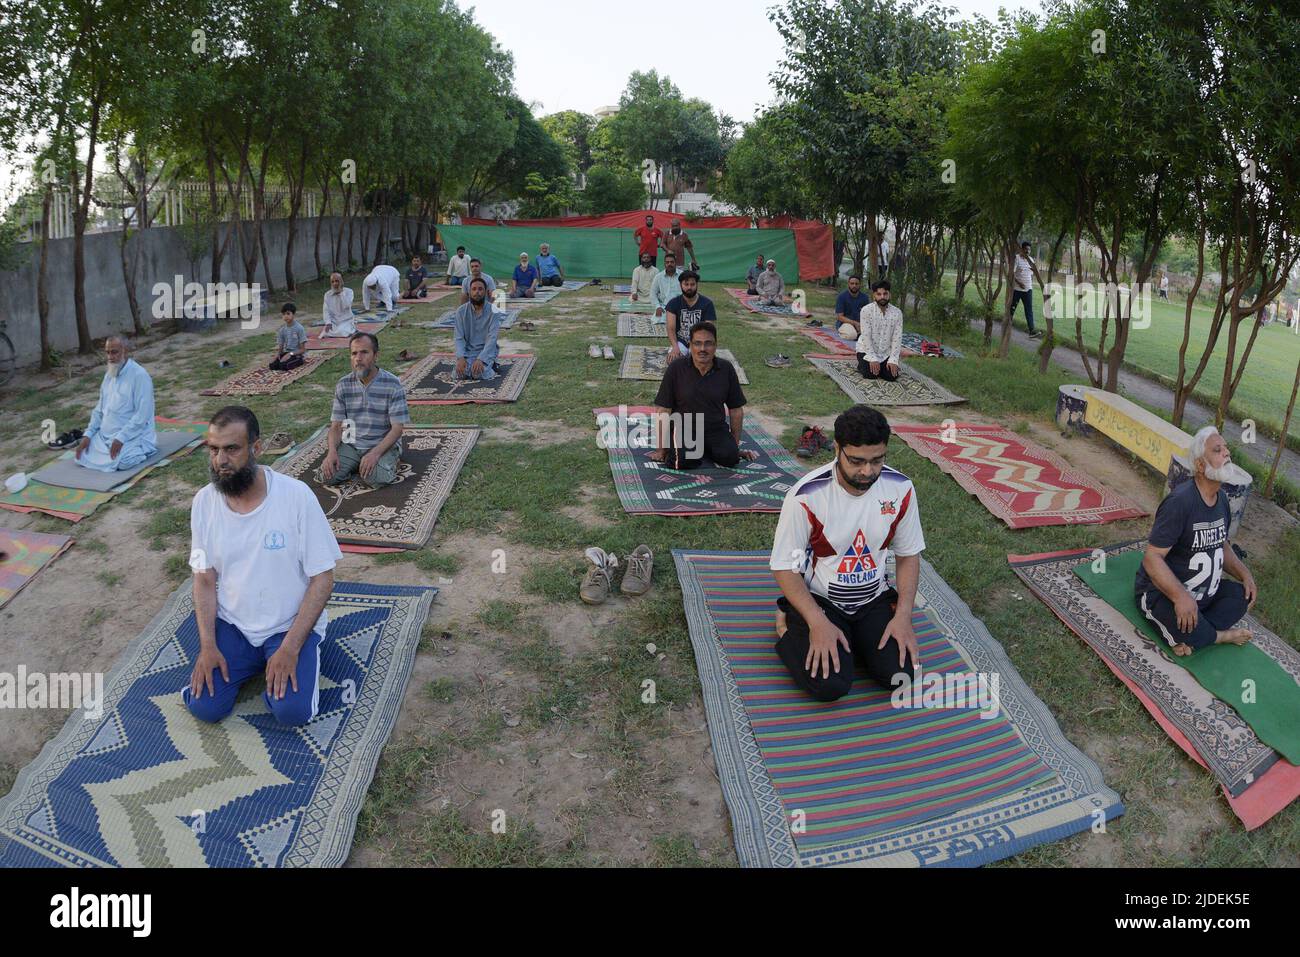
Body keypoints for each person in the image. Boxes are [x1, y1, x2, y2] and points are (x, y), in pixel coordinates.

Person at [184, 405, 342, 728]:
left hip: (287, 626)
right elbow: (203, 578)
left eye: (231, 449)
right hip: (234, 626)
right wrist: (208, 644)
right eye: (213, 450)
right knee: (205, 707)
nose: (220, 461)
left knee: (291, 712)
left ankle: (286, 661)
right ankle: (253, 663)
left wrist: (290, 648)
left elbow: (323, 579)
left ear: (257, 448)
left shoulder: (296, 497)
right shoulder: (203, 502)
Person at [768, 404, 923, 702]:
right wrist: (816, 621)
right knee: (830, 686)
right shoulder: (806, 496)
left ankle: (854, 641)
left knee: (900, 675)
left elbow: (908, 555)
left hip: (872, 599)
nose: (867, 472)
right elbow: (784, 567)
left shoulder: (900, 488)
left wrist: (903, 616)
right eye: (856, 461)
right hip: (821, 601)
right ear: (837, 448)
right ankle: (787, 625)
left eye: (877, 460)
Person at [1136, 426, 1256, 656]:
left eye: (1226, 449)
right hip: (1165, 594)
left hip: (1202, 596)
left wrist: (1244, 573)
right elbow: (1152, 558)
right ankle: (1219, 636)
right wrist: (1180, 596)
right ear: (1201, 465)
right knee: (1182, 619)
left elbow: (1222, 544)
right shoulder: (1180, 502)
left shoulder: (1221, 499)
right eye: (1218, 450)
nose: (1227, 454)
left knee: (1242, 597)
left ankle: (1196, 633)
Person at [649, 321, 757, 471]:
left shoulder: (726, 369)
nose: (702, 349)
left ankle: (708, 449)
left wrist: (735, 445)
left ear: (715, 345)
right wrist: (661, 449)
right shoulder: (676, 368)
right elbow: (663, 409)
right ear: (690, 346)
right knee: (683, 461)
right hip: (684, 427)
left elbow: (736, 410)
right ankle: (684, 448)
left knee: (730, 458)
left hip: (715, 427)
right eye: (697, 343)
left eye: (708, 344)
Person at [321, 333, 409, 487]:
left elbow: (397, 429)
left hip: (381, 444)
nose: (358, 358)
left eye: (364, 352)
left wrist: (375, 454)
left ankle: (390, 461)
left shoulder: (392, 384)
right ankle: (357, 462)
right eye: (354, 353)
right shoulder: (343, 384)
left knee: (375, 478)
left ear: (376, 356)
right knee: (327, 476)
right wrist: (332, 452)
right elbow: (336, 426)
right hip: (352, 443)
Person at [74, 335, 157, 472]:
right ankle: (106, 450)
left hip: (132, 435)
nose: (110, 357)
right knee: (80, 455)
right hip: (105, 436)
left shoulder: (139, 375)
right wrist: (88, 434)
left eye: (114, 352)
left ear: (125, 351)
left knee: (124, 462)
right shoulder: (109, 375)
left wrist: (121, 438)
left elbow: (142, 415)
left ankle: (139, 451)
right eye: (107, 352)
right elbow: (99, 410)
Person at [453, 277, 502, 381]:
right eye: (474, 289)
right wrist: (461, 357)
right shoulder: (460, 312)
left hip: (487, 351)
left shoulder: (494, 311)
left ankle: (492, 364)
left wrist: (481, 359)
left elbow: (492, 338)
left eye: (480, 289)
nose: (477, 292)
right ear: (469, 292)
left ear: (485, 292)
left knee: (478, 374)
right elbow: (459, 337)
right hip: (468, 351)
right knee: (458, 375)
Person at [855, 280, 903, 381]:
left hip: (885, 352)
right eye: (879, 294)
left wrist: (893, 360)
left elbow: (897, 338)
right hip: (866, 350)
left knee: (891, 376)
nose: (882, 297)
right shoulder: (866, 310)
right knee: (870, 374)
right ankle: (862, 365)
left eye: (885, 294)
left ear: (889, 295)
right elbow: (866, 336)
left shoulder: (897, 313)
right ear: (874, 296)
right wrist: (872, 358)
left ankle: (882, 366)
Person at [664, 270, 717, 359]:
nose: (689, 287)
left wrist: (703, 347)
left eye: (692, 284)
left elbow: (709, 330)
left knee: (701, 363)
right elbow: (670, 329)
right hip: (681, 341)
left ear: (697, 285)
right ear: (681, 285)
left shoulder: (707, 304)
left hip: (700, 341)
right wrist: (675, 347)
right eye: (686, 284)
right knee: (673, 361)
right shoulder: (673, 303)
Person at [1011, 240, 1042, 338]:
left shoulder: (1031, 260)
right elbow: (1011, 273)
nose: (1028, 251)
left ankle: (1032, 330)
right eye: (1026, 249)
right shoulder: (1016, 258)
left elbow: (1033, 274)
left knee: (1029, 310)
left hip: (1028, 290)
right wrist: (1019, 283)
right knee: (1012, 308)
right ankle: (1007, 325)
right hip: (1017, 289)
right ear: (1022, 249)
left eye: (1029, 249)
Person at [270, 303, 307, 371]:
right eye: (283, 314)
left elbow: (303, 350)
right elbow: (281, 348)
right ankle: (284, 361)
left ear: (293, 314)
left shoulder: (299, 328)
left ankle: (300, 361)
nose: (285, 316)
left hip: (297, 354)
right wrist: (277, 355)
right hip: (287, 352)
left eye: (288, 313)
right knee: (272, 365)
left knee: (283, 366)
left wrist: (291, 354)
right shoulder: (282, 330)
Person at [650, 251, 683, 323]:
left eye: (672, 262)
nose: (669, 264)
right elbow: (653, 293)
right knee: (658, 319)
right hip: (665, 307)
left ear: (675, 263)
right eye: (667, 262)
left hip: (681, 306)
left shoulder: (682, 275)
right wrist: (657, 307)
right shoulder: (658, 277)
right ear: (664, 264)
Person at [322, 271, 357, 338]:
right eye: (332, 282)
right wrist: (328, 323)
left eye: (337, 281)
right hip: (334, 321)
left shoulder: (349, 292)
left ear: (341, 281)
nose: (335, 283)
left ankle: (350, 329)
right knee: (325, 332)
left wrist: (341, 293)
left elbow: (347, 306)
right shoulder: (327, 295)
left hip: (346, 320)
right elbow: (326, 310)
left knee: (342, 332)